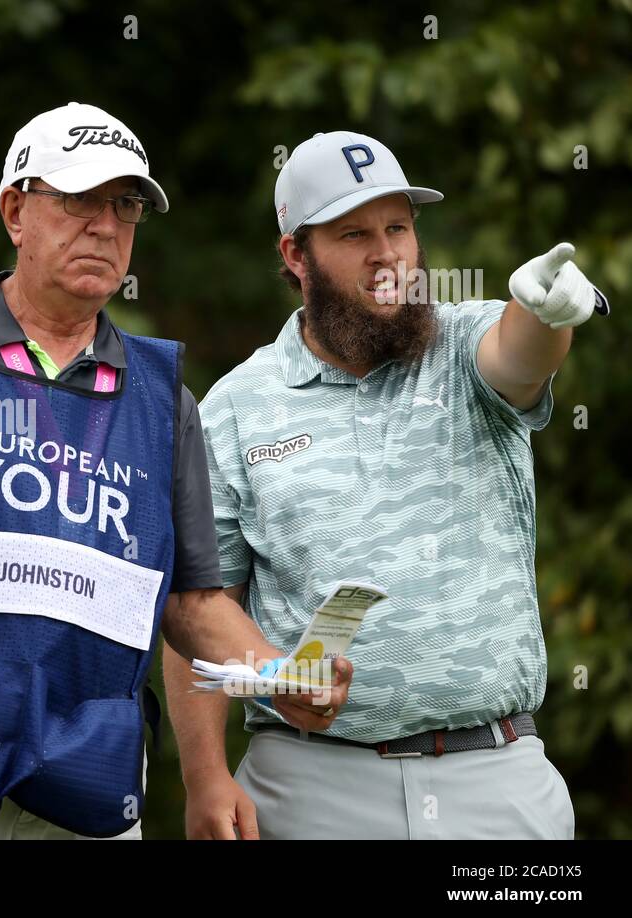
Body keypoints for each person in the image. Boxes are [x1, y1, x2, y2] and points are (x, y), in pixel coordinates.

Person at [0, 103, 351, 840]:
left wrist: (278, 671)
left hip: (85, 791)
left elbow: (191, 603)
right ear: (15, 210)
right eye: (78, 199)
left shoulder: (165, 400)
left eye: (125, 204)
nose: (105, 224)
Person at [164, 130, 605, 840]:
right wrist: (206, 774)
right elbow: (199, 604)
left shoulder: (464, 342)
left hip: (495, 779)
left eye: (398, 226)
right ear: (295, 255)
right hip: (306, 785)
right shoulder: (236, 404)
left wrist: (545, 315)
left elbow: (519, 359)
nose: (388, 254)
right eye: (354, 233)